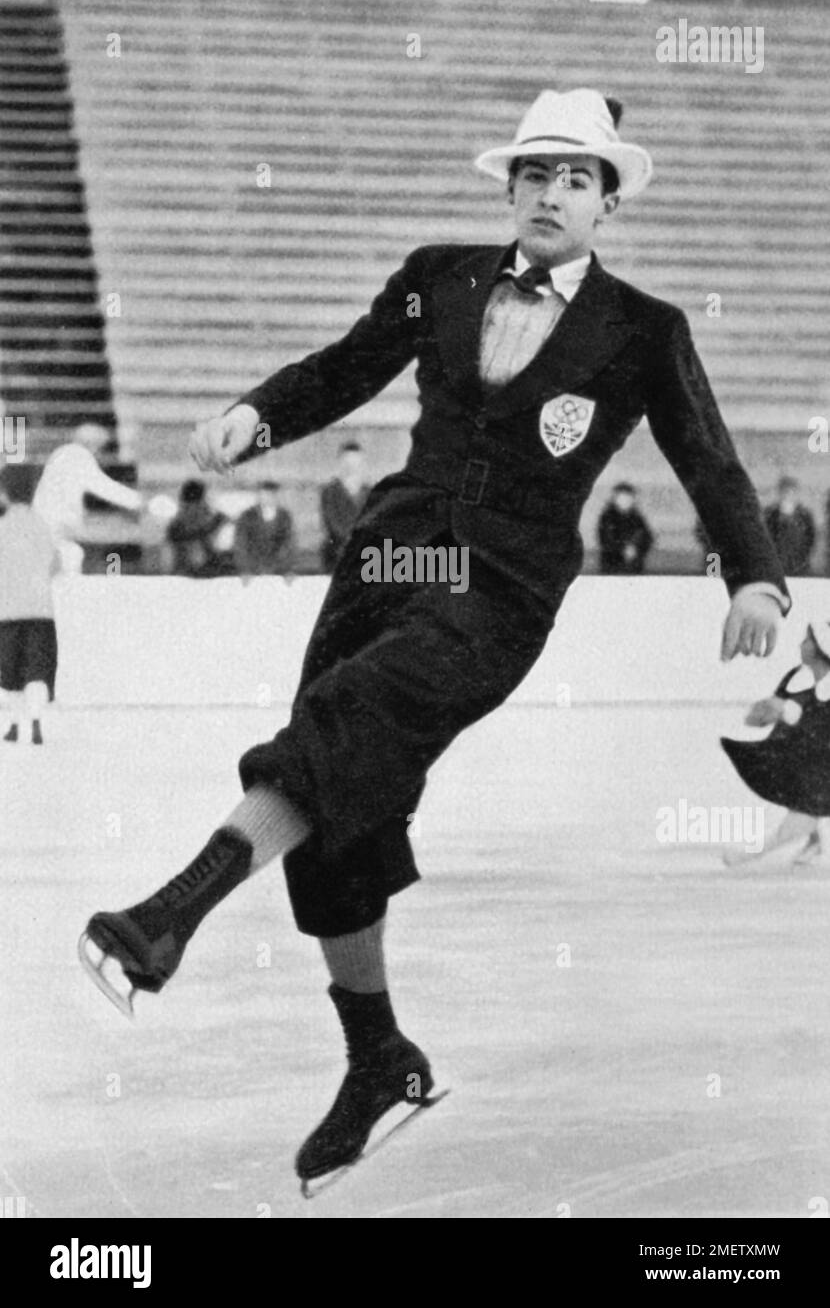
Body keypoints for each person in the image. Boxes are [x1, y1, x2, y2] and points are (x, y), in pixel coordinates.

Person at [79, 87, 789, 1190]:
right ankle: (378, 1059)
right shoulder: (436, 279)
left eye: (572, 178)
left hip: (498, 590)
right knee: (335, 814)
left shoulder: (644, 331)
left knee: (342, 723)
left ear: (607, 204)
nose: (548, 193)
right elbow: (343, 367)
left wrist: (751, 576)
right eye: (531, 174)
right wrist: (254, 416)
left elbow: (706, 456)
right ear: (507, 189)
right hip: (389, 559)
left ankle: (168, 916)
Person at [721, 622, 830, 868]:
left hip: (820, 768)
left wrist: (789, 712)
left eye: (807, 641)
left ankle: (745, 855)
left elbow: (818, 725)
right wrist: (767, 713)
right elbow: (776, 711)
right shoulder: (796, 677)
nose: (801, 645)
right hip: (804, 762)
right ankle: (814, 841)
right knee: (804, 801)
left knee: (800, 818)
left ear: (822, 649)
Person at [0, 465, 60, 746]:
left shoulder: (3, 527)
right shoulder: (42, 526)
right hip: (40, 611)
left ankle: (12, 723)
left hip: (8, 611)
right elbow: (55, 564)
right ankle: (36, 721)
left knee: (9, 673)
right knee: (36, 671)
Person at [33, 423, 142, 574]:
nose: (99, 453)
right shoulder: (77, 455)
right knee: (70, 557)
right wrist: (140, 501)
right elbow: (103, 486)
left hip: (49, 525)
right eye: (100, 447)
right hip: (52, 527)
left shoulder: (63, 455)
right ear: (92, 444)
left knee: (72, 555)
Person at [319, 440, 371, 573]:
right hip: (338, 555)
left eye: (355, 463)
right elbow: (333, 525)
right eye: (347, 462)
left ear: (362, 463)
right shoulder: (330, 492)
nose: (351, 467)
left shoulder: (370, 492)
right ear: (340, 462)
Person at [233, 480, 295, 579]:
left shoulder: (284, 516)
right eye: (264, 495)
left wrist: (287, 570)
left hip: (277, 569)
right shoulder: (247, 516)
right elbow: (241, 544)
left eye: (271, 495)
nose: (268, 498)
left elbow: (289, 543)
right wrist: (245, 570)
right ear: (259, 496)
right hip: (253, 570)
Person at [166, 479, 226, 578]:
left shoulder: (205, 522)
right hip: (184, 577)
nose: (207, 508)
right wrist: (214, 526)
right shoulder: (177, 527)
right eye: (204, 504)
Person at [596, 481, 654, 574]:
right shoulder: (607, 517)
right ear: (615, 499)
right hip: (612, 566)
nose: (625, 502)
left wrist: (636, 548)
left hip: (634, 566)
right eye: (622, 498)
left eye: (628, 499)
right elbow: (606, 540)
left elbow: (647, 537)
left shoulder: (637, 517)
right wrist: (623, 549)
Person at [763, 476, 815, 577]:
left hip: (799, 565)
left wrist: (803, 555)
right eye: (785, 491)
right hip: (776, 565)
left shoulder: (804, 515)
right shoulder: (770, 514)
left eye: (791, 491)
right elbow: (766, 536)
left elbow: (810, 538)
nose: (787, 495)